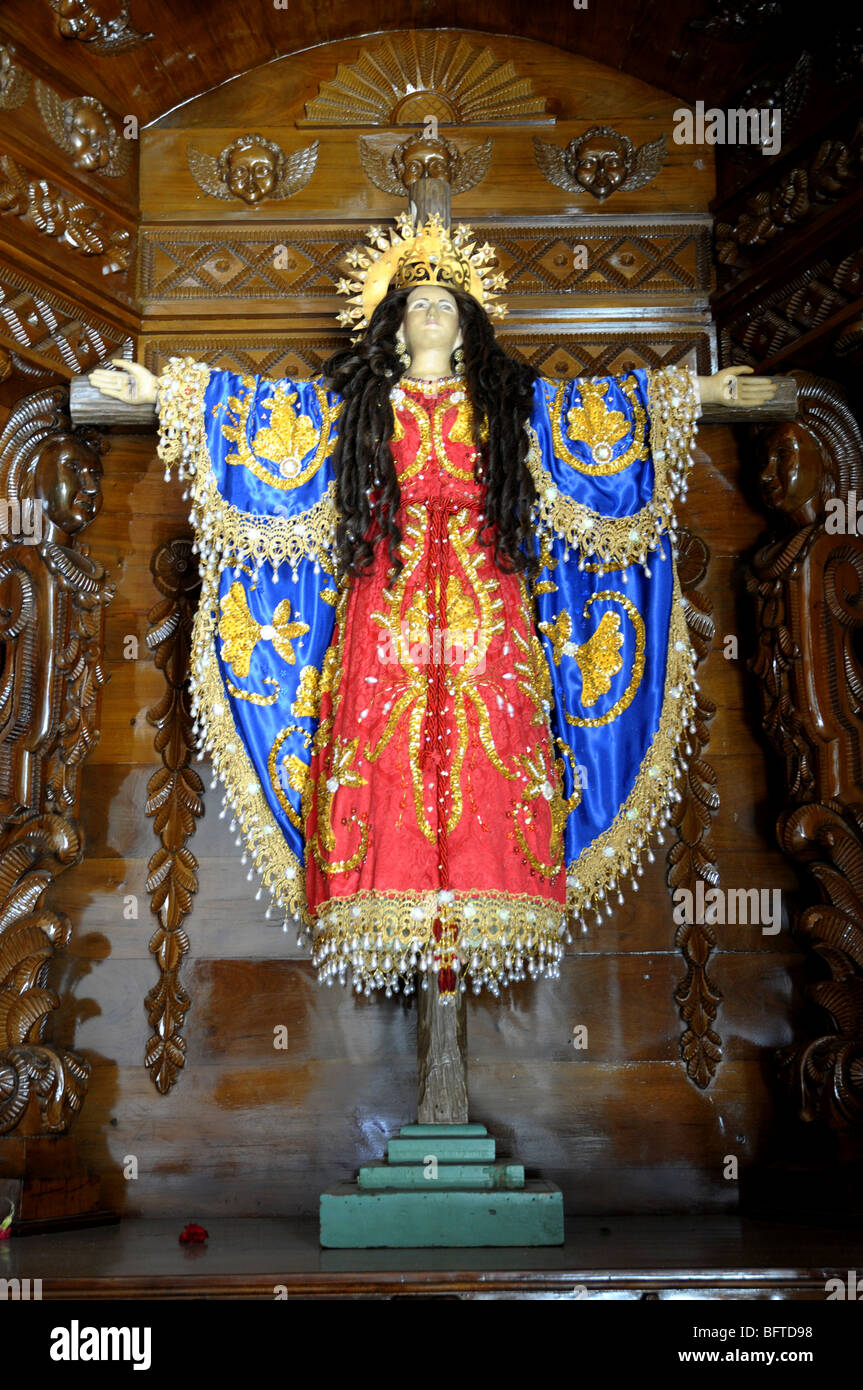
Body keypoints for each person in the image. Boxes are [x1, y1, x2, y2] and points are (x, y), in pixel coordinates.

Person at [89, 214, 775, 1000]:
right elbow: (268, 419)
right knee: (381, 749)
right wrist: (164, 391)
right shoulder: (360, 405)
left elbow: (597, 414)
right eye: (415, 302)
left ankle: (488, 894)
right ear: (390, 321)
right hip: (386, 598)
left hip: (490, 605)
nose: (430, 313)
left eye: (446, 302)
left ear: (469, 324)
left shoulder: (509, 406)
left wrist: (702, 390)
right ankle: (389, 896)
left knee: (494, 749)